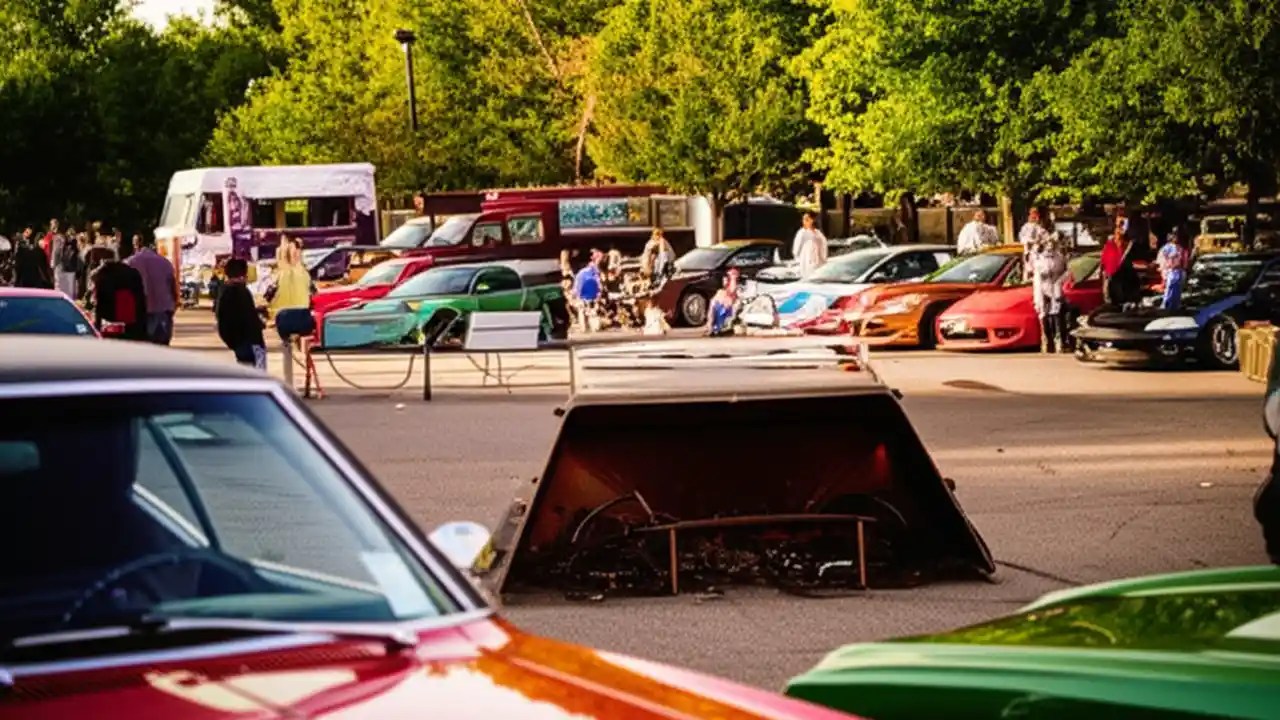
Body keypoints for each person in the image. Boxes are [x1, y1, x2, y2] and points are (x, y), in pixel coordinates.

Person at [125, 234, 177, 344]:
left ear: (135, 245)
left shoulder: (130, 263)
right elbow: (172, 287)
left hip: (141, 311)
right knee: (162, 345)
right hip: (164, 309)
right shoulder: (165, 263)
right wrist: (174, 305)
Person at [216, 257, 267, 370]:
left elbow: (221, 317)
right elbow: (250, 318)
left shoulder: (224, 292)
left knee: (245, 371)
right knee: (259, 376)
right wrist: (261, 322)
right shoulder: (242, 292)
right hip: (251, 342)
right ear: (243, 274)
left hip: (236, 342)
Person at [91, 256, 148, 340]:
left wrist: (96, 328)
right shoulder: (132, 273)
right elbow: (141, 299)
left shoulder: (104, 277)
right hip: (133, 320)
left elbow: (100, 305)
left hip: (113, 322)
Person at [1030, 237, 1069, 353]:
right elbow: (1036, 276)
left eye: (1052, 243)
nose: (1049, 245)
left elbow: (1066, 272)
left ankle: (1059, 341)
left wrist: (1060, 282)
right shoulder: (1039, 259)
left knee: (1057, 314)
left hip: (1056, 287)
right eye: (1047, 243)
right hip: (1043, 287)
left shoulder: (1060, 258)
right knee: (1044, 314)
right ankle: (1047, 340)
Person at [268, 240, 313, 320]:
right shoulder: (303, 274)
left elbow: (268, 297)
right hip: (298, 318)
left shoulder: (279, 275)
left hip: (283, 319)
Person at [1101, 216, 1138, 306]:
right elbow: (1105, 264)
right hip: (1114, 282)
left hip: (1127, 283)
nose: (1119, 229)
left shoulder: (1131, 244)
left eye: (1122, 225)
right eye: (1118, 226)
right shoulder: (1110, 244)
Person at [571, 251, 604, 331]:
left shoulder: (589, 272)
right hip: (585, 295)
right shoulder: (586, 272)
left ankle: (588, 327)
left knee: (586, 310)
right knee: (583, 309)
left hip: (588, 294)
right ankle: (586, 328)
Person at [1157, 230, 1189, 310]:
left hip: (1179, 270)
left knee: (1178, 289)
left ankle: (1176, 305)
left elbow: (1185, 259)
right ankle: (1166, 304)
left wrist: (1184, 269)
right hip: (1171, 270)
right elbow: (1162, 259)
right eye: (1174, 237)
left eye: (1176, 237)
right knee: (1169, 288)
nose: (1176, 238)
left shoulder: (1181, 248)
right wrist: (1164, 269)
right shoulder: (1166, 248)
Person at [792, 212, 828, 279]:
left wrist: (823, 258)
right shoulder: (801, 232)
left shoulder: (818, 233)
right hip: (806, 258)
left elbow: (823, 244)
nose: (804, 222)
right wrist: (798, 260)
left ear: (812, 220)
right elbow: (796, 248)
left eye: (807, 219)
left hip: (817, 258)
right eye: (804, 220)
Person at [708, 268, 742, 336]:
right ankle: (715, 328)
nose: (724, 282)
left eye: (726, 280)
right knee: (716, 306)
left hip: (729, 310)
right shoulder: (721, 291)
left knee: (722, 309)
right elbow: (713, 302)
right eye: (724, 280)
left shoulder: (737, 289)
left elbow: (733, 294)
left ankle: (720, 328)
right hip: (722, 309)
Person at [53, 232, 83, 299]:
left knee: (66, 293)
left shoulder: (70, 250)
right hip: (67, 273)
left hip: (67, 273)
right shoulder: (70, 250)